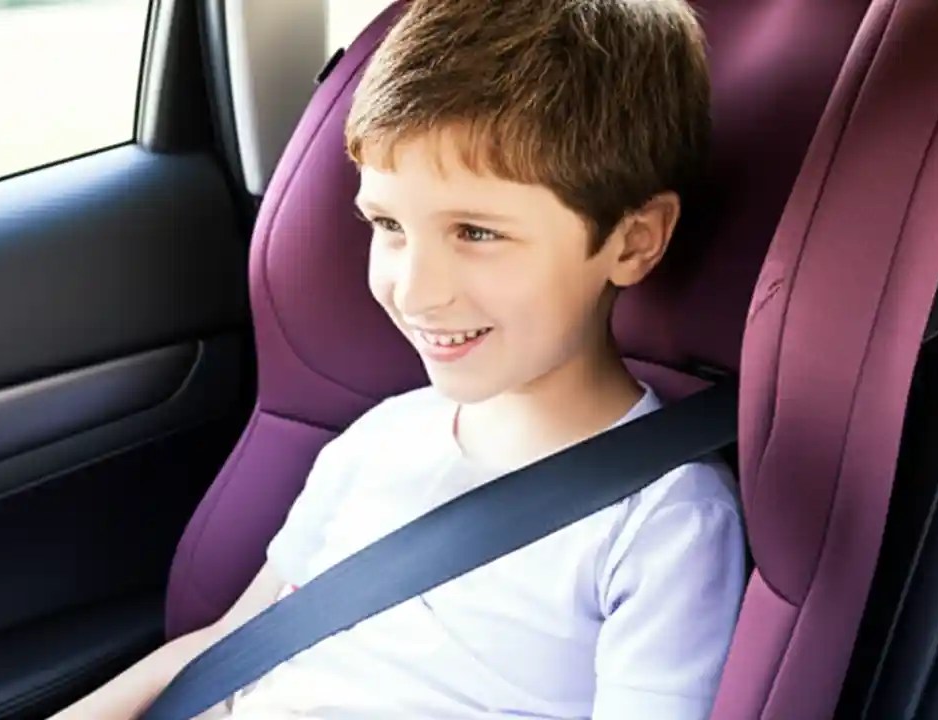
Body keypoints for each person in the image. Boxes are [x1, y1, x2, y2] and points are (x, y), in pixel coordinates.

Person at [54, 0, 745, 717]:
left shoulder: (664, 523)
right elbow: (226, 647)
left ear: (633, 242)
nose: (415, 290)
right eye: (388, 225)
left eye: (476, 233)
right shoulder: (382, 437)